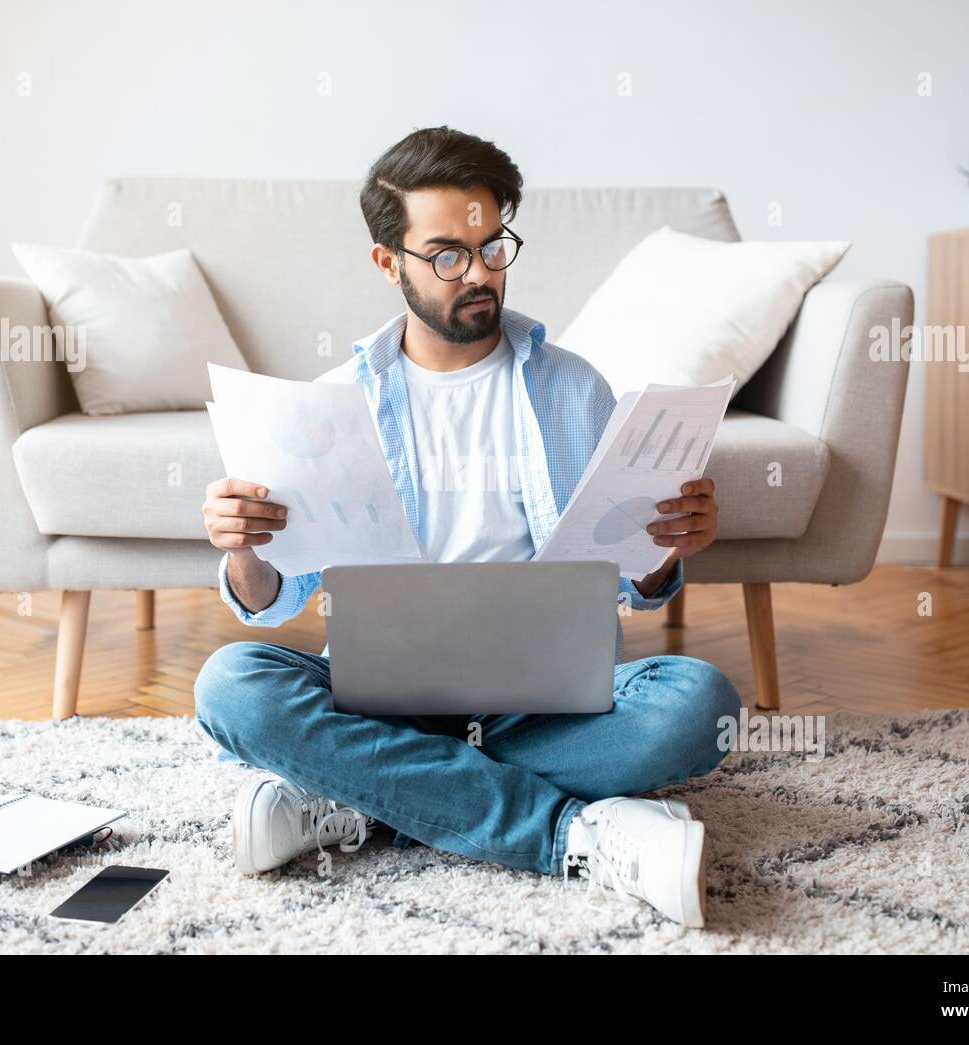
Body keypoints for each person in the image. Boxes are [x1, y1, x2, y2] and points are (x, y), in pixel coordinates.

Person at [194, 126, 742, 929]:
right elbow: (275, 603)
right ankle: (571, 833)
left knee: (697, 703)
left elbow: (636, 586)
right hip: (379, 702)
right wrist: (244, 548)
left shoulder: (574, 389)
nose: (480, 274)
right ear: (390, 262)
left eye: (493, 247)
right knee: (231, 686)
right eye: (449, 255)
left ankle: (371, 796)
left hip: (546, 707)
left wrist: (666, 549)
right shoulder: (334, 400)